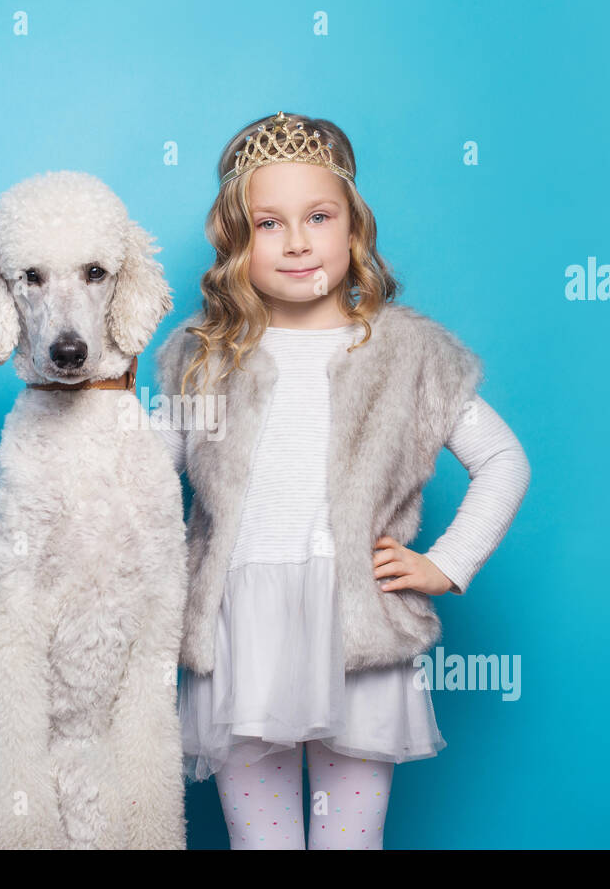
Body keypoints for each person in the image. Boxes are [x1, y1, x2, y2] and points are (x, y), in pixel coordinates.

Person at [152, 111, 531, 849]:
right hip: (239, 639)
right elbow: (139, 479)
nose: (297, 242)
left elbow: (504, 462)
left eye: (318, 216)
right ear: (236, 242)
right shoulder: (201, 356)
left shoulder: (409, 353)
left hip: (355, 631)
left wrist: (445, 564)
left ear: (352, 227)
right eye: (269, 223)